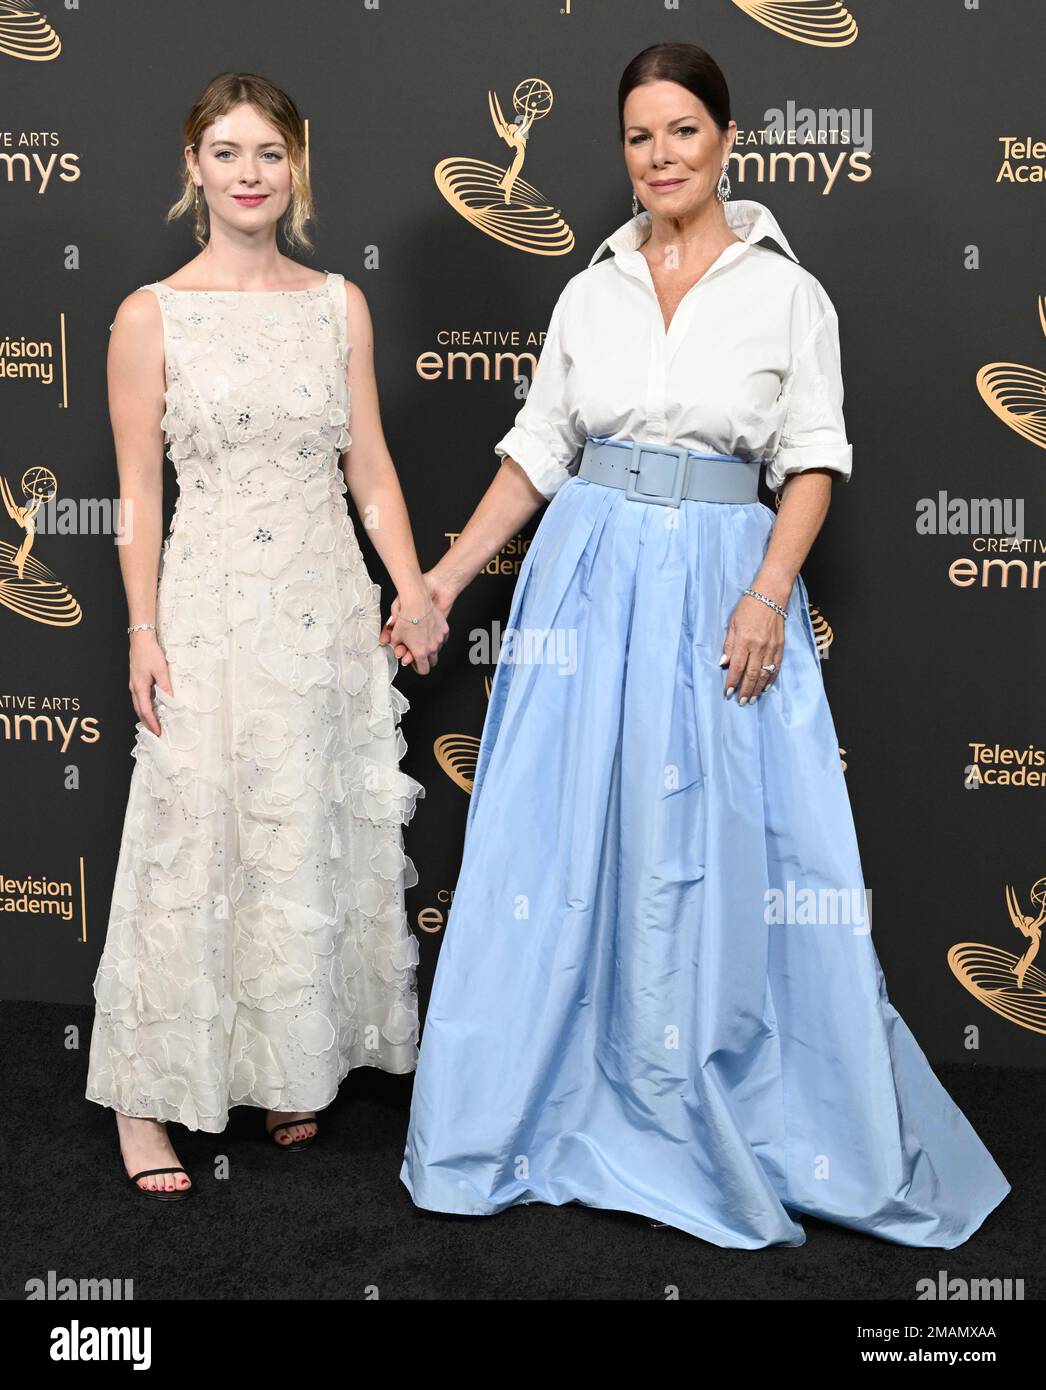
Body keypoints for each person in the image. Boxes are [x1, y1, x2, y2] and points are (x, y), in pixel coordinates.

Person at [394, 42, 1011, 1248]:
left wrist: (769, 595)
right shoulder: (592, 287)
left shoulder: (786, 290)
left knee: (724, 846)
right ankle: (545, 1097)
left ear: (726, 137)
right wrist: (439, 581)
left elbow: (813, 459)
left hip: (723, 583)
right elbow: (534, 455)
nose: (659, 155)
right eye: (636, 135)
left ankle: (723, 1095)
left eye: (680, 130)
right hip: (584, 584)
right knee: (562, 833)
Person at [86, 72, 446, 1200]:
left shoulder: (338, 302)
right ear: (192, 165)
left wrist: (410, 586)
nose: (250, 175)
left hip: (325, 607)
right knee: (194, 837)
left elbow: (369, 462)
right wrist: (142, 628)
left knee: (304, 830)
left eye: (270, 155)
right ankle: (145, 1100)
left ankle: (290, 1063)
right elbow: (137, 494)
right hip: (206, 608)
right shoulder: (150, 315)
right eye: (228, 152)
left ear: (297, 169)